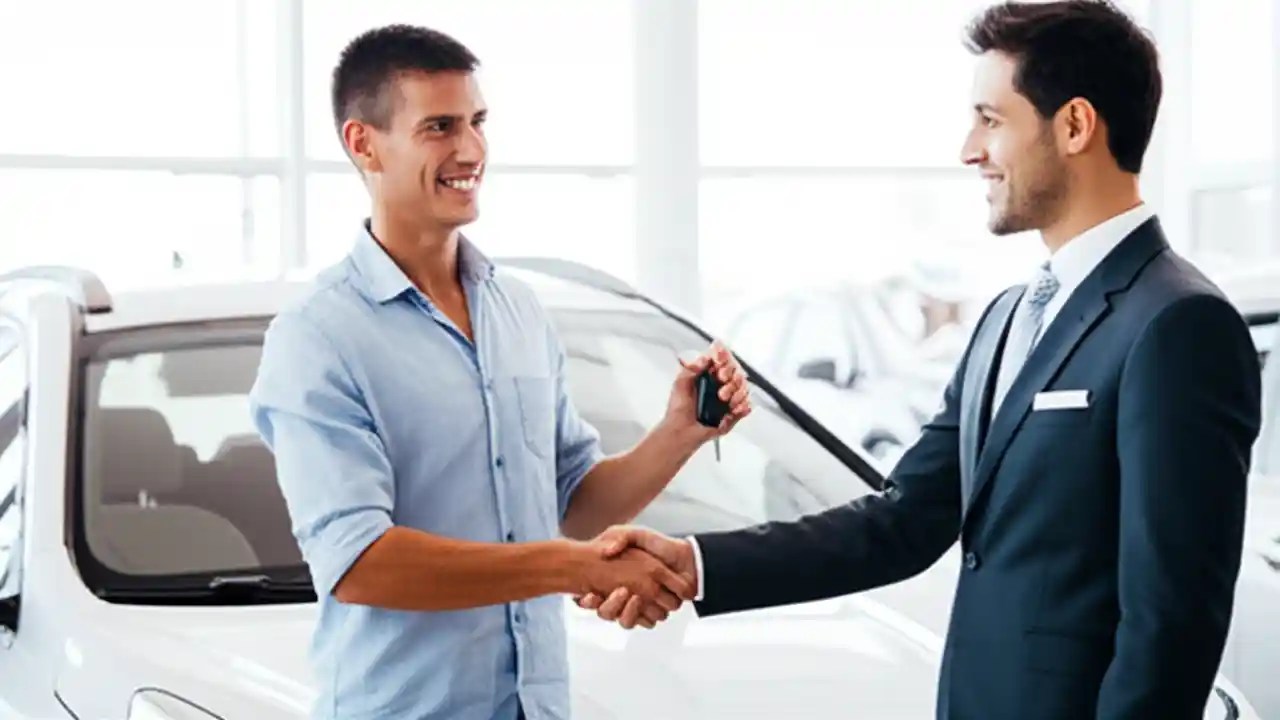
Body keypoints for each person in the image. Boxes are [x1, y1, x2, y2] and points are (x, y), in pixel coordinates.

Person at [580, 2, 1262, 718]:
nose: (969, 149)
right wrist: (693, 564)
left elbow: (1173, 622)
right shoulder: (1006, 317)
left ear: (1074, 126)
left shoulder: (1178, 323)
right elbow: (903, 522)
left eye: (991, 120)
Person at [249, 24, 751, 720]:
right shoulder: (317, 337)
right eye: (440, 127)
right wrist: (576, 568)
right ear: (364, 144)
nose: (472, 150)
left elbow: (570, 506)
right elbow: (361, 563)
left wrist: (678, 433)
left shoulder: (516, 307)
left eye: (478, 122)